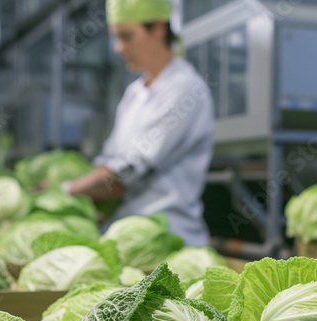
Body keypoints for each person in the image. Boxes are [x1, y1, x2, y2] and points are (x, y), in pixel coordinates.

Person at [63, 0, 215, 246]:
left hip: (167, 240)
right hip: (126, 236)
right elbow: (109, 161)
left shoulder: (184, 89)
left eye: (127, 36)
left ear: (158, 28)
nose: (120, 48)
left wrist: (66, 190)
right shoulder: (134, 93)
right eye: (116, 38)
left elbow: (126, 172)